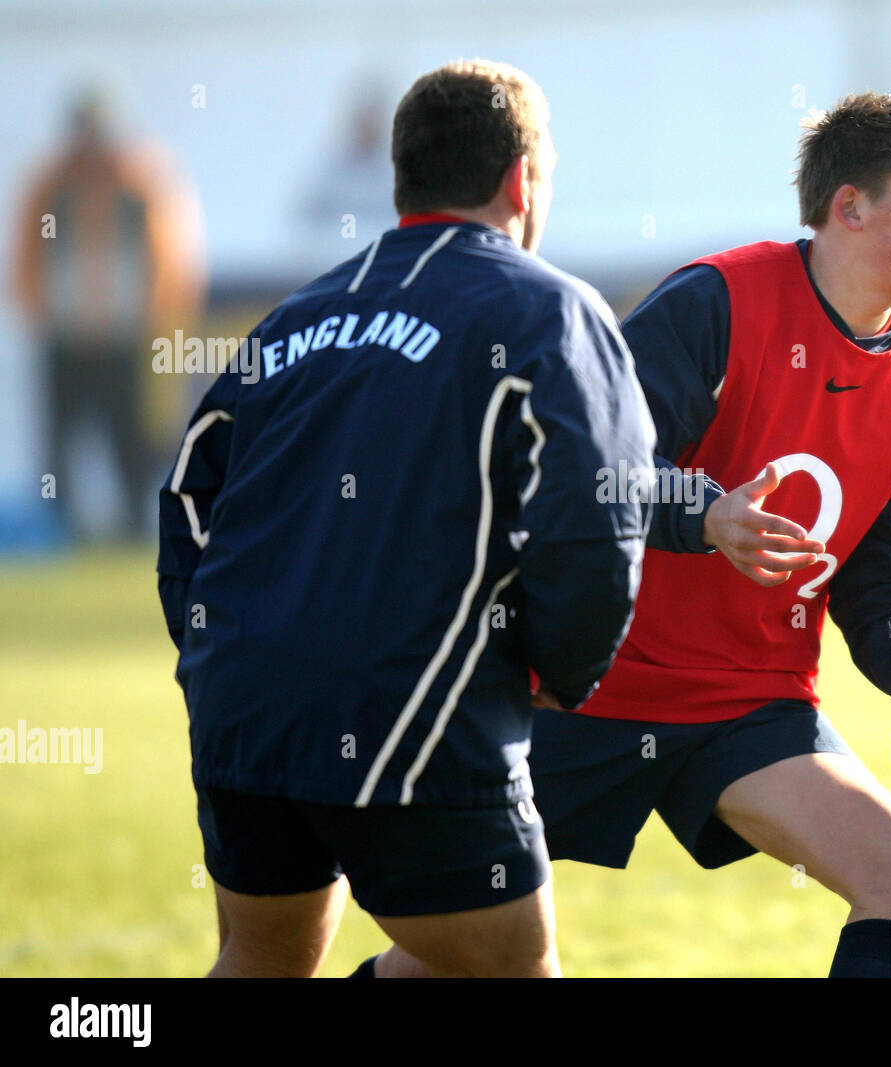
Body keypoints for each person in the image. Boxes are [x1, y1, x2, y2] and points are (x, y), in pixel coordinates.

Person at [368, 91, 891, 979]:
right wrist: (703, 517)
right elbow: (579, 473)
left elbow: (879, 588)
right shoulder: (718, 302)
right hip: (585, 687)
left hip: (751, 704)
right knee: (455, 960)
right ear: (847, 206)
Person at [156, 59, 655, 978]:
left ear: (403, 177)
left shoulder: (294, 317)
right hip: (414, 714)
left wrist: (212, 652)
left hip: (246, 709)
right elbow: (593, 516)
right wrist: (564, 667)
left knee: (261, 960)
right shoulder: (551, 310)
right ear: (524, 179)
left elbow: (188, 493)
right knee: (509, 968)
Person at [12, 86, 204, 541]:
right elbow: (26, 260)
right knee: (59, 446)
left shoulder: (141, 185)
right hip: (65, 341)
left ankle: (134, 529)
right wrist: (46, 316)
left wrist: (154, 321)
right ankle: (63, 533)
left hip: (125, 341)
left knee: (132, 444)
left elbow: (173, 259)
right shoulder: (50, 188)